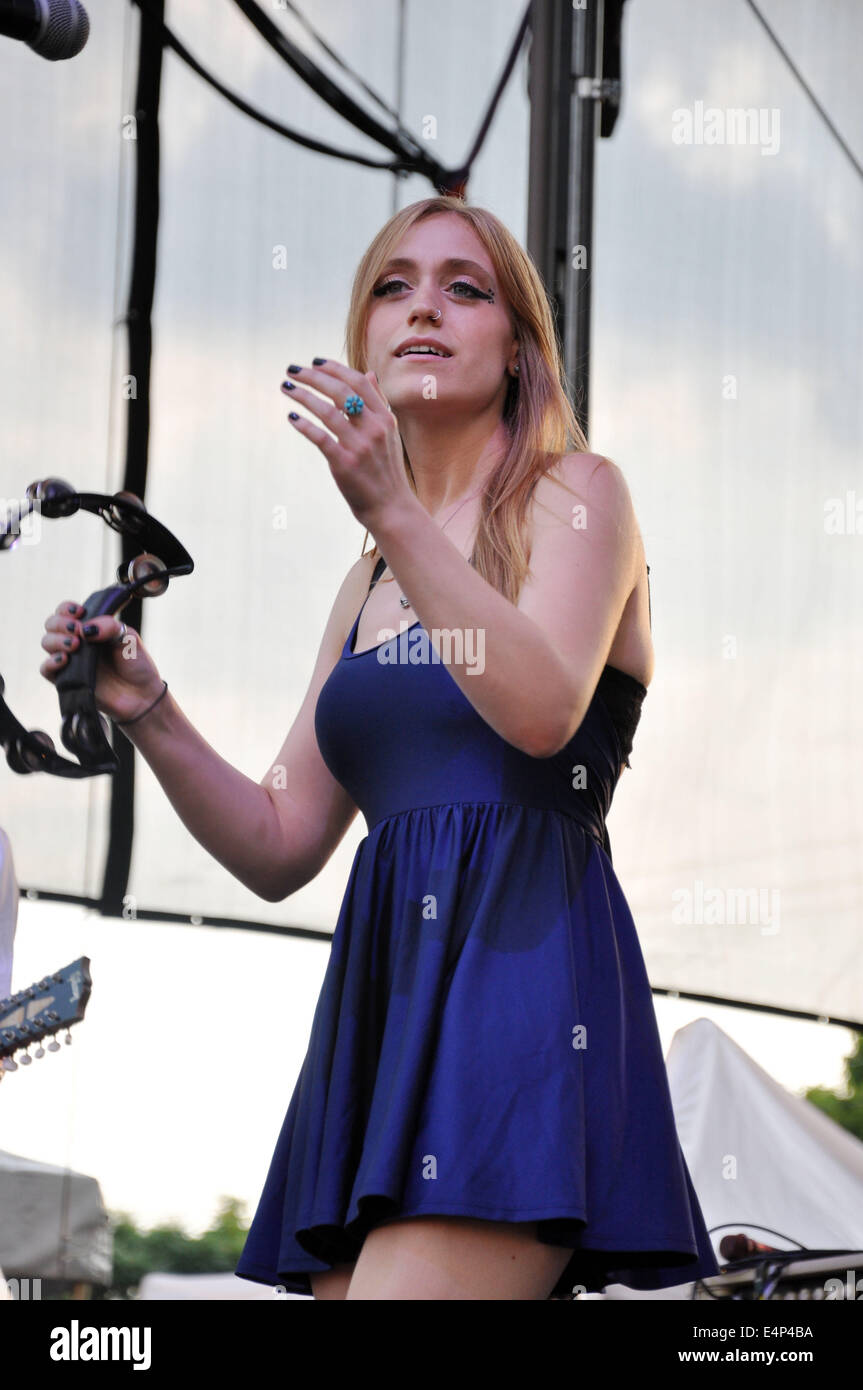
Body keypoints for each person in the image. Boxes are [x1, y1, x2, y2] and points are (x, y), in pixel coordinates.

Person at [39, 195, 719, 1301]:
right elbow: (277, 838)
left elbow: (543, 707)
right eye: (392, 287)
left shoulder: (578, 497)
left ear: (515, 348)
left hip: (520, 984)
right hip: (384, 1010)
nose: (422, 308)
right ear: (360, 339)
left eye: (464, 287)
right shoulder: (362, 586)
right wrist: (149, 711)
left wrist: (391, 507)